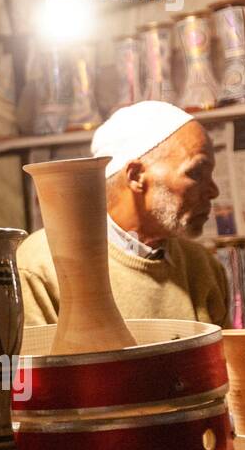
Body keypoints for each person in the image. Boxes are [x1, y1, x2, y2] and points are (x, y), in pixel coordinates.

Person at [17, 101, 228, 328]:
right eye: (196, 173)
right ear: (136, 176)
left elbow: (225, 361)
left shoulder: (201, 266)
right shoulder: (43, 265)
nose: (213, 191)